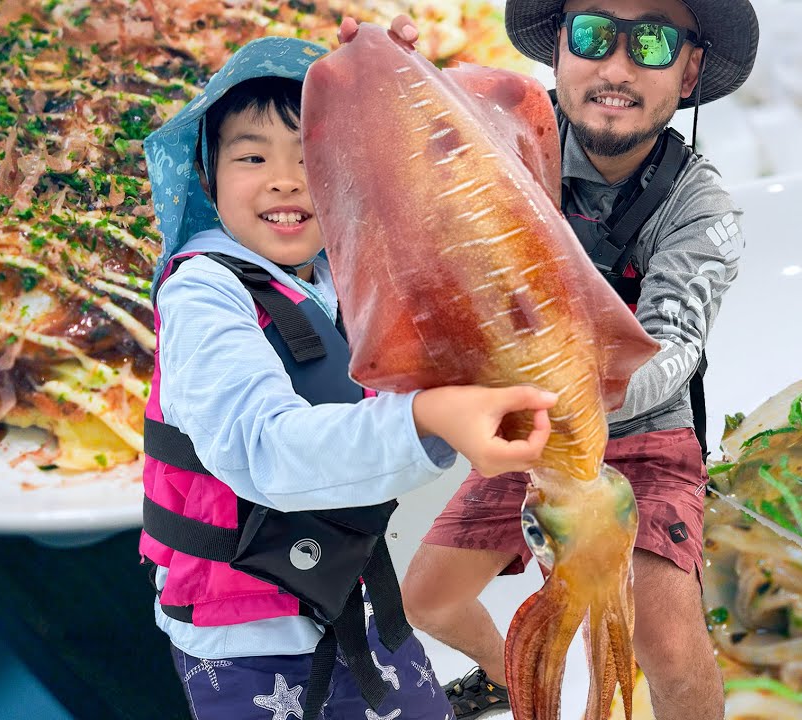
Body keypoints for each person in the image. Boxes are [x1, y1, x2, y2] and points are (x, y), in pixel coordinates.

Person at [137, 31, 559, 720]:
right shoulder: (203, 296)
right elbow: (264, 449)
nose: (285, 178)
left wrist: (394, 96)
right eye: (252, 156)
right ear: (207, 178)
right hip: (244, 638)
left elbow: (439, 231)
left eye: (314, 158)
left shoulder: (340, 274)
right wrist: (427, 421)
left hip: (352, 592)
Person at [399, 0, 759, 717]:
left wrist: (573, 395)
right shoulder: (502, 150)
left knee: (671, 655)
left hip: (642, 441)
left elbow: (675, 344)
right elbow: (415, 168)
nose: (616, 66)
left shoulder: (701, 209)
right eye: (594, 35)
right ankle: (502, 675)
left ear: (689, 71)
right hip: (533, 436)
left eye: (651, 42)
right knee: (426, 599)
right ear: (559, 50)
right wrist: (397, 77)